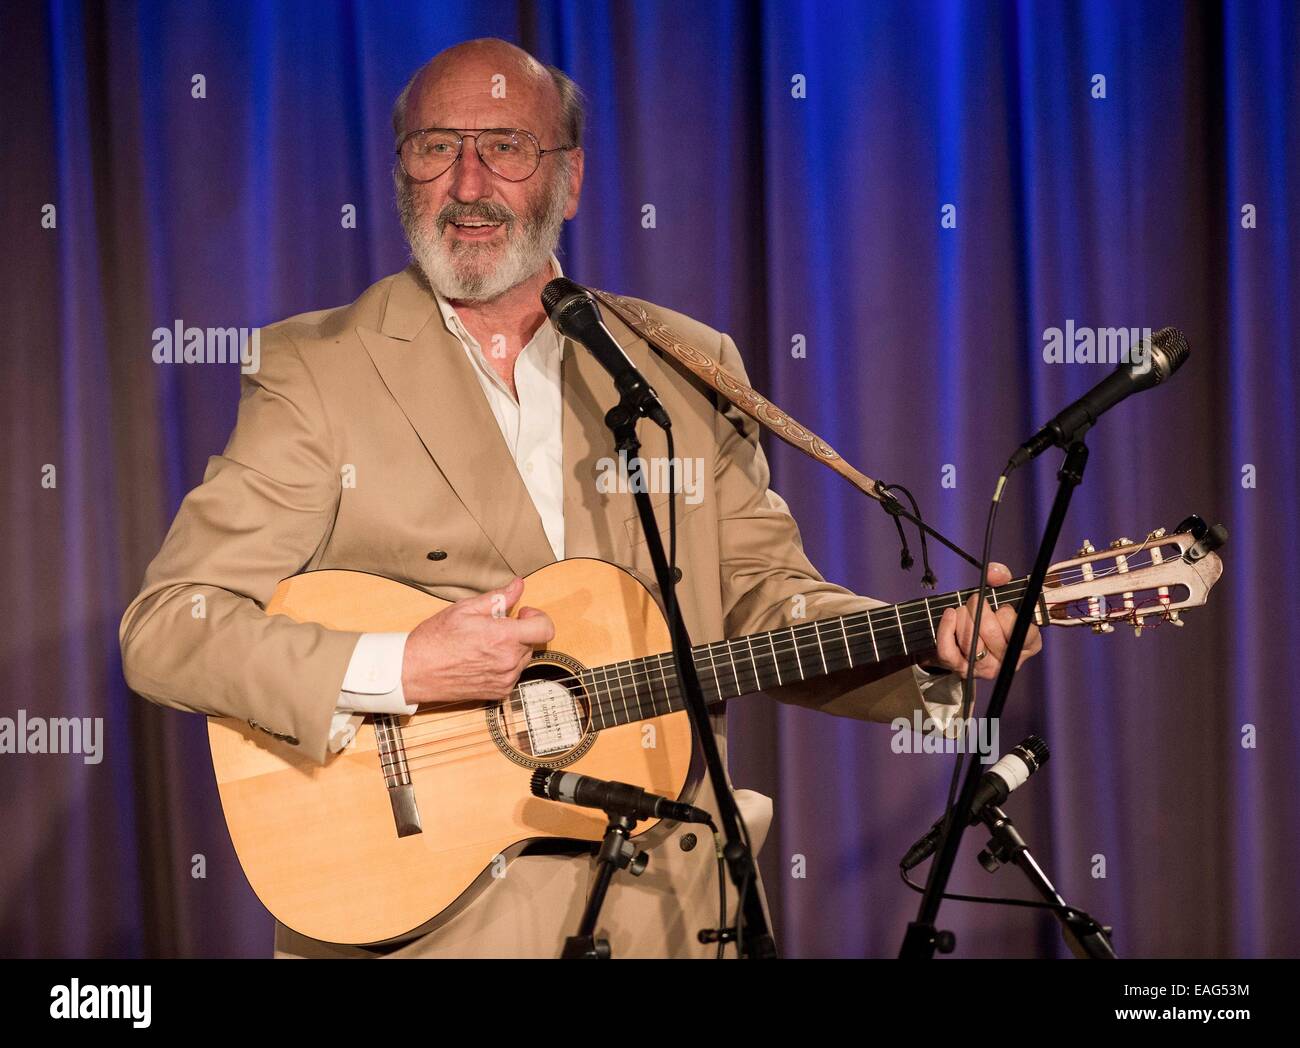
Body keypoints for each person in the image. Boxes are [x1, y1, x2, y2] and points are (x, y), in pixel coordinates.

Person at [119, 37, 1042, 958]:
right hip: (433, 925)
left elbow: (764, 602)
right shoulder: (319, 369)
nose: (468, 183)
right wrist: (401, 666)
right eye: (436, 147)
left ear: (569, 179)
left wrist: (929, 641)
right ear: (402, 170)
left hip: (673, 909)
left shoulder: (684, 366)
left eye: (506, 147)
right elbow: (170, 627)